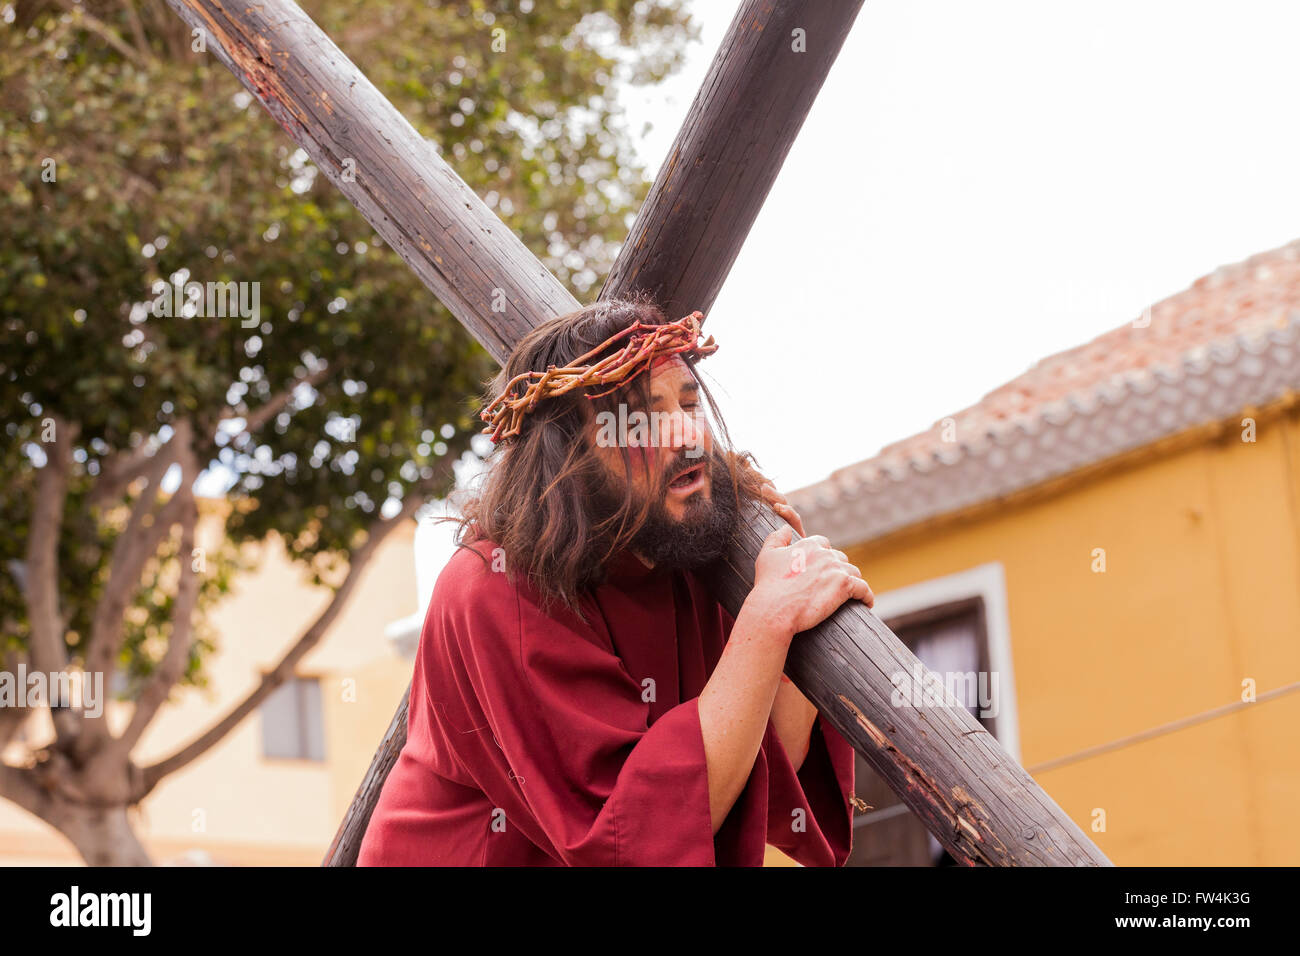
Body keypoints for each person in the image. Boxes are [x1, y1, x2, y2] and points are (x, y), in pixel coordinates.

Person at [358, 293, 874, 866]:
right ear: (569, 455)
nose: (687, 436)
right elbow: (630, 840)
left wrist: (789, 619)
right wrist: (768, 620)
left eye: (688, 402)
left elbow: (773, 761)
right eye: (643, 417)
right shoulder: (493, 586)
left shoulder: (688, 552)